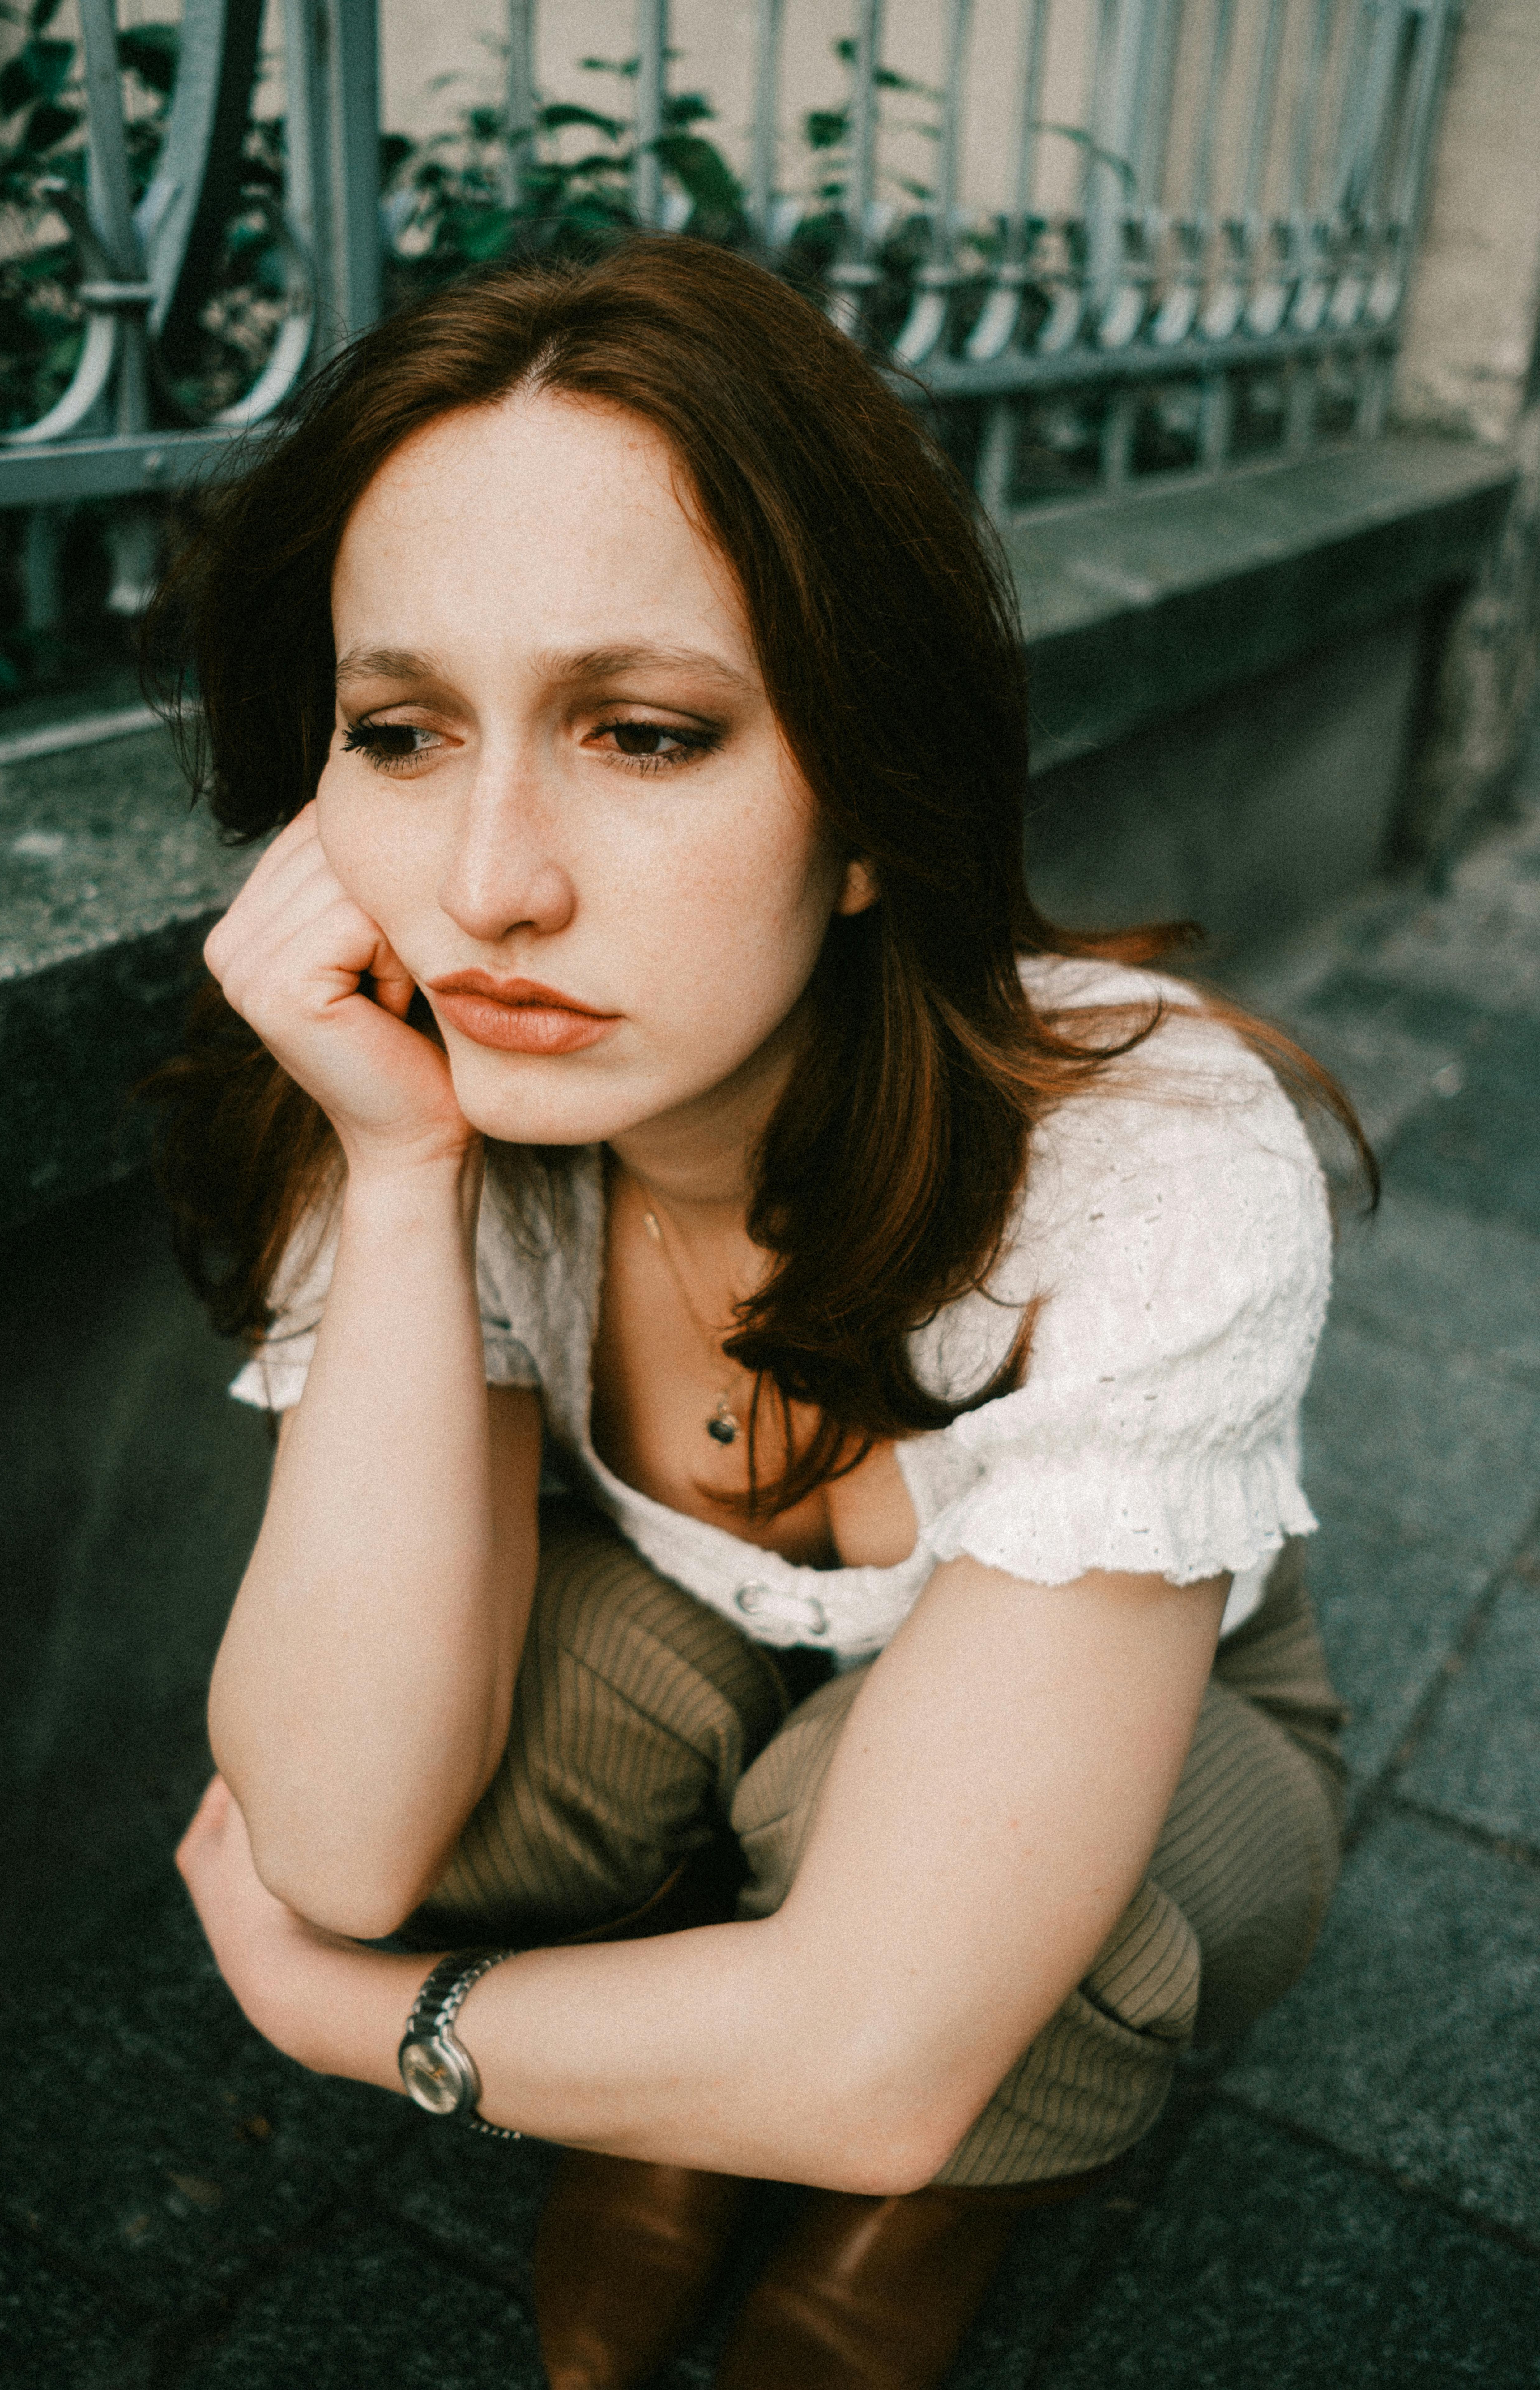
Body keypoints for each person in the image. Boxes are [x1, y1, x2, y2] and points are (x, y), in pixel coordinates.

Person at [157, 236, 1359, 2390]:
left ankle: (935, 2192)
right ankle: (690, 2073)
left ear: (873, 801)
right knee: (508, 1798)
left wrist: (374, 2028)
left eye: (645, 732)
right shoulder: (424, 1097)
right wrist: (411, 1174)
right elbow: (332, 1834)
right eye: (402, 732)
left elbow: (882, 2046)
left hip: (1194, 1734)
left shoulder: (1160, 1155)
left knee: (958, 1954)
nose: (492, 879)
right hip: (709, 1645)